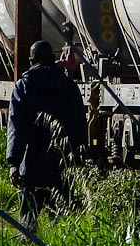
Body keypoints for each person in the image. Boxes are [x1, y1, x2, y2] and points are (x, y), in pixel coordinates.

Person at [6, 40, 87, 230]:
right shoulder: (70, 87)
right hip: (62, 165)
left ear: (31, 61)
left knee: (28, 221)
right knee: (62, 222)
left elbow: (17, 127)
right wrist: (78, 160)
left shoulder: (23, 86)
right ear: (53, 59)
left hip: (32, 164)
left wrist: (13, 162)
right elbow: (80, 126)